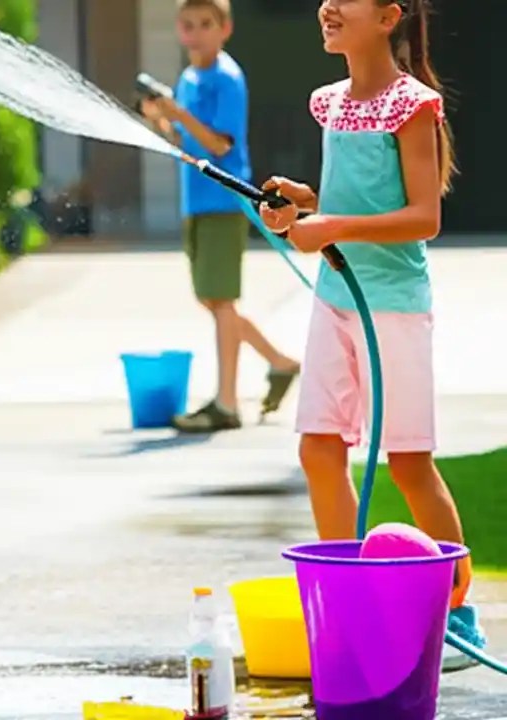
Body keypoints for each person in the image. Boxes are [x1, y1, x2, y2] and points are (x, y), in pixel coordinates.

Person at [258, 0, 487, 673]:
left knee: (408, 464)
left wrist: (327, 227)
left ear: (389, 17)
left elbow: (423, 217)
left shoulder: (413, 104)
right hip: (335, 300)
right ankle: (347, 603)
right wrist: (300, 201)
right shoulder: (328, 102)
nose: (328, 6)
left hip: (391, 306)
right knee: (319, 450)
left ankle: (458, 619)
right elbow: (344, 197)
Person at [140, 0, 301, 433]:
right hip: (196, 203)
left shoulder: (226, 79)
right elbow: (186, 140)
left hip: (224, 203)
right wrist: (163, 121)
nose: (196, 34)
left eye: (206, 25)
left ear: (225, 28)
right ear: (178, 29)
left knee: (223, 302)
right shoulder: (189, 79)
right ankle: (281, 363)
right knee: (214, 301)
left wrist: (178, 113)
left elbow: (219, 146)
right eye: (188, 25)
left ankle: (227, 404)